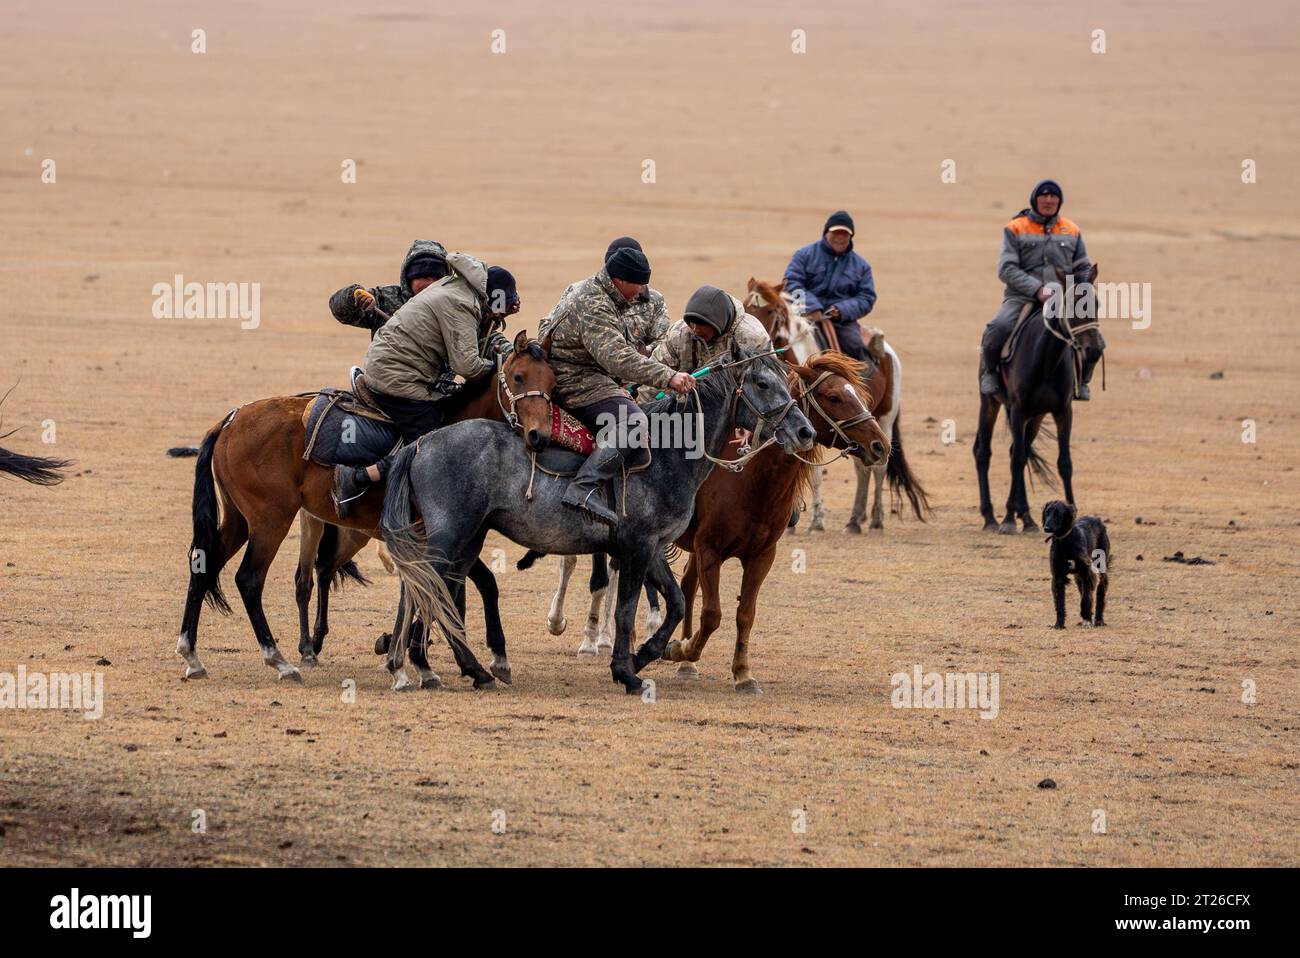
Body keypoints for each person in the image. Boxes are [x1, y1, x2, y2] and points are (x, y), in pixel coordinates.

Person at [332, 252, 518, 517]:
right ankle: (360, 478)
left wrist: (513, 356)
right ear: (407, 279)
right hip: (400, 380)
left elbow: (486, 341)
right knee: (434, 444)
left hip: (423, 381)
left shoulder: (460, 295)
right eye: (420, 276)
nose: (427, 282)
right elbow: (468, 366)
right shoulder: (456, 302)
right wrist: (501, 367)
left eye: (433, 275)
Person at [544, 246, 695, 527]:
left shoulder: (602, 294)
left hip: (589, 375)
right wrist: (669, 377)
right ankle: (583, 489)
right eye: (638, 284)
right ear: (620, 280)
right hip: (574, 379)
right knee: (635, 422)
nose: (642, 291)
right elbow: (616, 357)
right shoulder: (595, 303)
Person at [981, 179, 1096, 399]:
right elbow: (1006, 269)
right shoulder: (1015, 228)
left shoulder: (1071, 230)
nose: (1049, 200)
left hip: (1062, 300)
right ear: (1035, 199)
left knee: (1091, 338)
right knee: (998, 327)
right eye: (1044, 195)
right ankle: (990, 374)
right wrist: (1037, 290)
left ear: (1059, 201)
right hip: (1022, 297)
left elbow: (1081, 265)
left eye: (1054, 196)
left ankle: (1081, 382)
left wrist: (1083, 283)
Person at [541, 236, 671, 353]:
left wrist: (639, 354)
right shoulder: (581, 292)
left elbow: (663, 343)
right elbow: (548, 325)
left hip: (639, 371)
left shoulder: (655, 301)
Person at [782, 211, 877, 361]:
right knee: (778, 340)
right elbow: (792, 282)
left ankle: (858, 382)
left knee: (855, 345)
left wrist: (841, 310)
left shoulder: (861, 266)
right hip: (802, 315)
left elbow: (866, 297)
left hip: (841, 322)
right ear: (826, 232)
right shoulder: (804, 255)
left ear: (850, 237)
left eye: (844, 234)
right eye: (835, 232)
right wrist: (811, 307)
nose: (840, 237)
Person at [328, 239, 450, 336]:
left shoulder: (455, 305)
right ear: (408, 279)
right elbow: (341, 312)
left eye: (436, 279)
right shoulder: (385, 301)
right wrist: (353, 296)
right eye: (423, 277)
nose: (430, 284)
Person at [650, 284, 771, 375]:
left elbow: (772, 384)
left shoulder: (754, 338)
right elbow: (655, 373)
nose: (695, 330)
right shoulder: (679, 333)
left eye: (702, 324)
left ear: (719, 322)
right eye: (692, 323)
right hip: (687, 403)